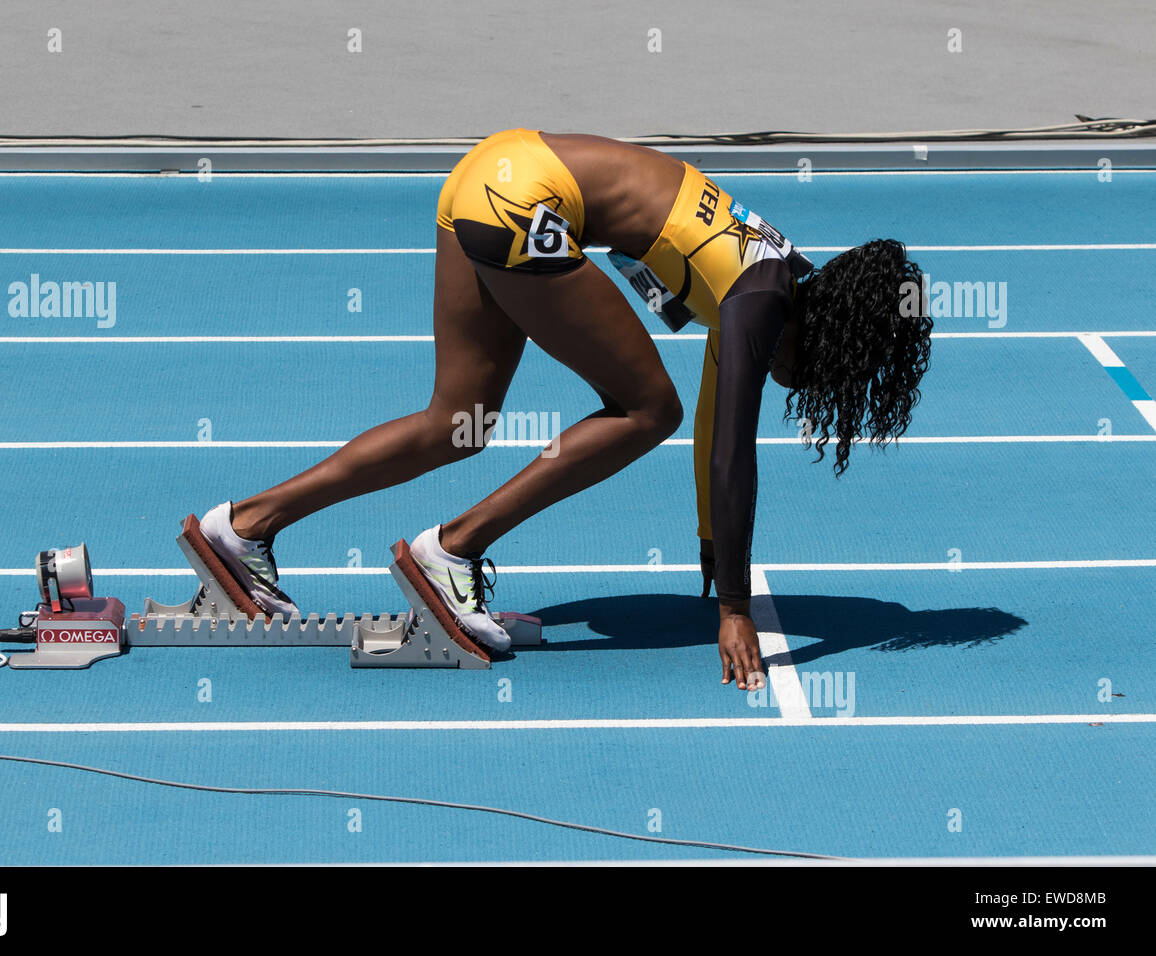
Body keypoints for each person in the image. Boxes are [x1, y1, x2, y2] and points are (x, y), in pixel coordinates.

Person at [196, 129, 932, 690]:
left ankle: (245, 526)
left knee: (459, 420)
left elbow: (720, 413)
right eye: (817, 375)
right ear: (830, 336)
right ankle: (451, 550)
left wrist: (712, 536)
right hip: (525, 202)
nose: (791, 381)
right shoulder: (764, 299)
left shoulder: (767, 275)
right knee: (646, 409)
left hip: (490, 174)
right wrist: (734, 608)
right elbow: (731, 450)